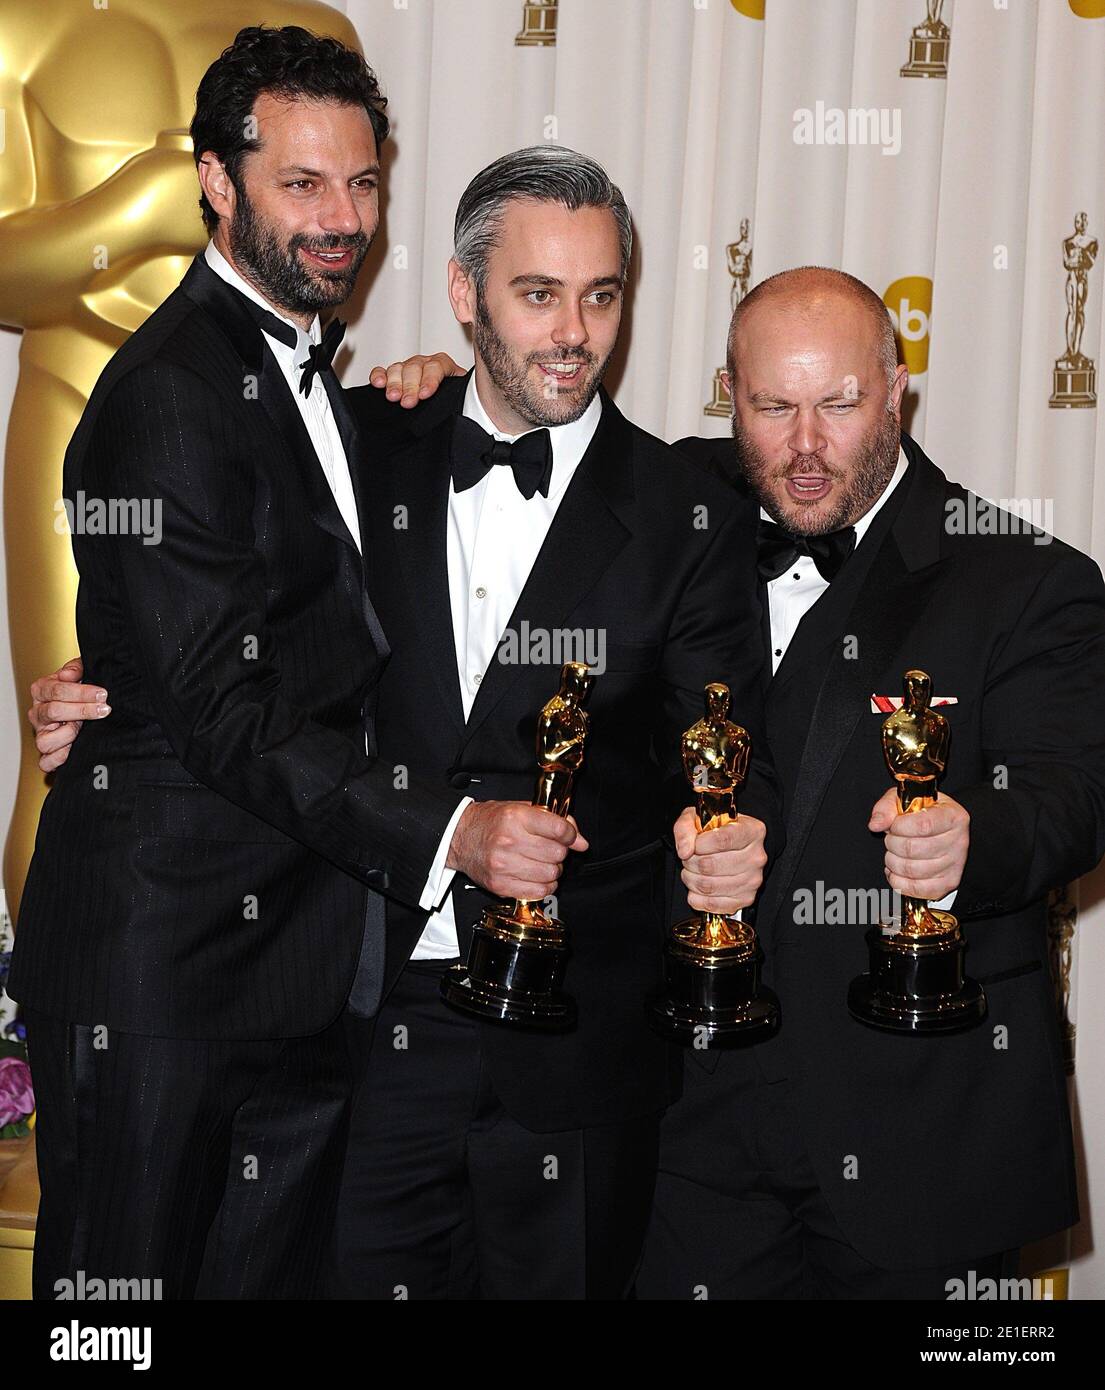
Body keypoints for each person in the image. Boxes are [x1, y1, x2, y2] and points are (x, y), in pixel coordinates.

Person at [28, 146, 779, 1299]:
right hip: (352, 1015)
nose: (574, 332)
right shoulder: (354, 442)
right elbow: (229, 648)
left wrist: (724, 834)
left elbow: (722, 752)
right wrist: (106, 690)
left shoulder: (690, 514)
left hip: (576, 1047)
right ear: (464, 294)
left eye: (601, 295)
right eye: (537, 294)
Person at [296, 263, 1105, 1297]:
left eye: (840, 405)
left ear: (896, 390)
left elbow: (1070, 800)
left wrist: (966, 843)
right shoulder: (661, 498)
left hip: (912, 1129)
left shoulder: (1023, 576)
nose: (805, 447)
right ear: (730, 395)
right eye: (771, 408)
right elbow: (472, 489)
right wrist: (442, 394)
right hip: (684, 1125)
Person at [8, 26, 581, 1300]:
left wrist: (422, 399)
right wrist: (452, 835)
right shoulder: (168, 392)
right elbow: (223, 705)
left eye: (363, 184)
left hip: (305, 974)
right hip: (160, 969)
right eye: (303, 185)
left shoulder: (326, 386)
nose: (341, 219)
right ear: (217, 181)